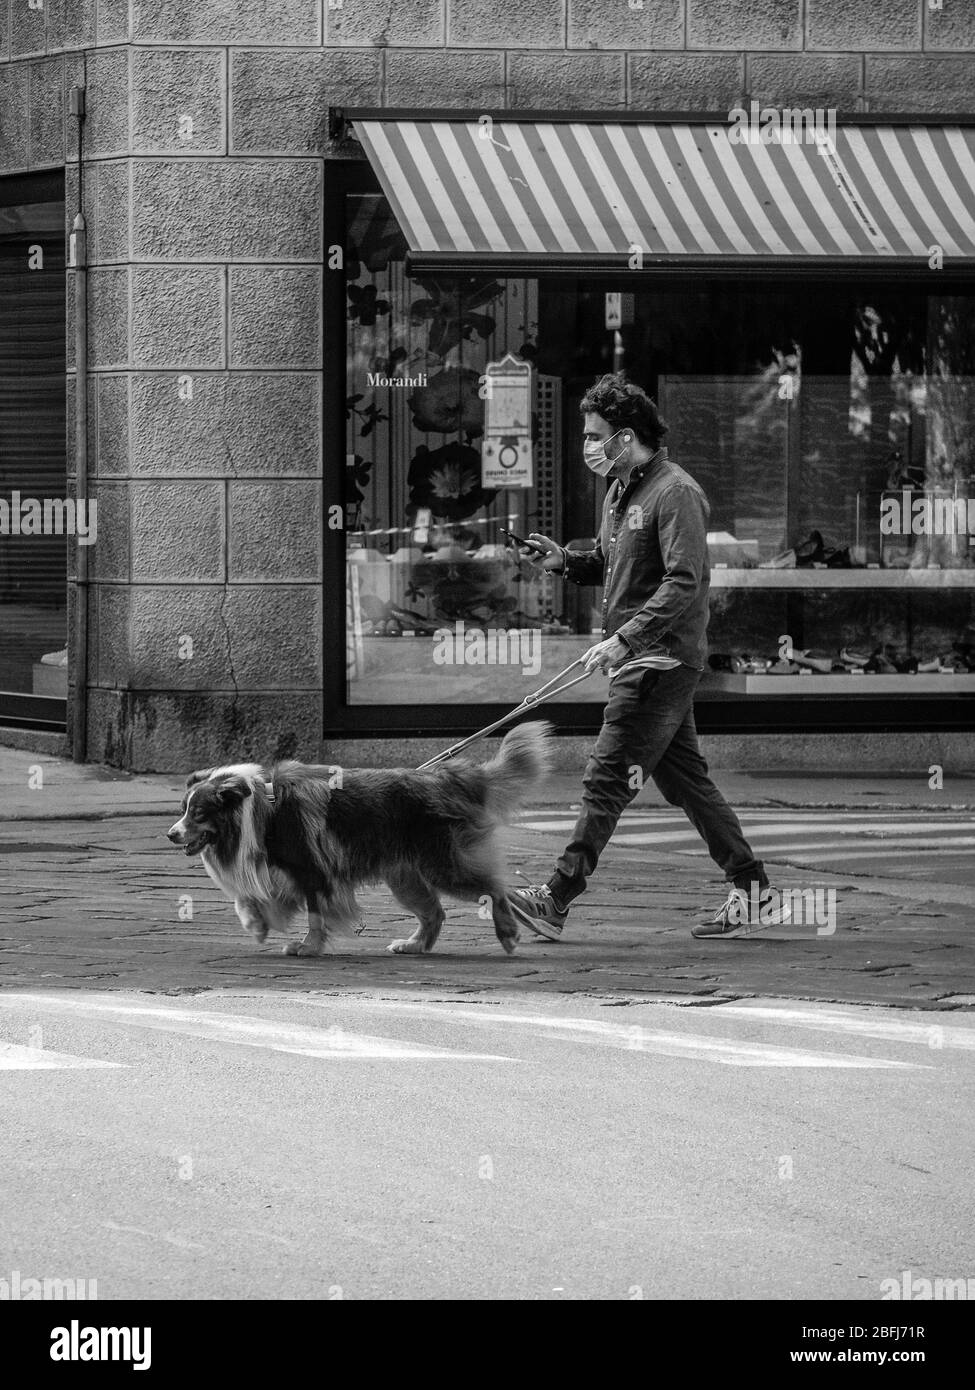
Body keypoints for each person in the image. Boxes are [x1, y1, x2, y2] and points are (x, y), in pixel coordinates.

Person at [508, 372, 788, 941]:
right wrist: (564, 560)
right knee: (685, 782)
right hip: (641, 657)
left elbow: (684, 581)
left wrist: (625, 639)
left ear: (625, 434)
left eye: (594, 434)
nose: (588, 445)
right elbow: (618, 569)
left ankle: (557, 897)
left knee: (606, 775)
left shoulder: (675, 492)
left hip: (657, 662)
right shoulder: (619, 492)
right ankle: (753, 886)